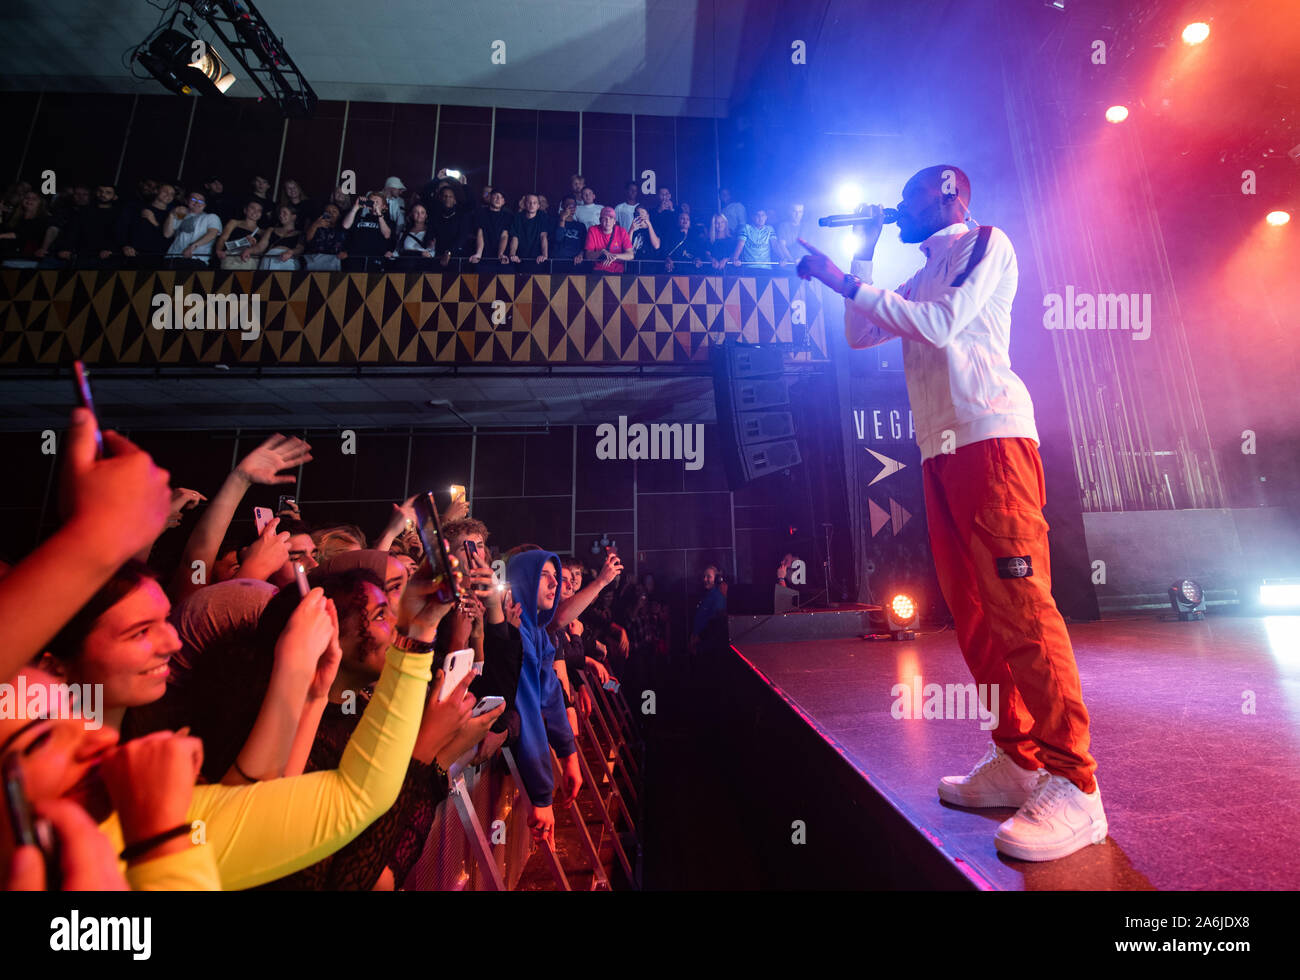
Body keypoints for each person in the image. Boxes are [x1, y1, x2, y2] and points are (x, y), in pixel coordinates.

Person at [796, 163, 1106, 862]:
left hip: (992, 440)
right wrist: (862, 256)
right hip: (939, 450)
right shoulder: (917, 272)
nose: (896, 207)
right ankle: (1019, 759)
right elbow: (860, 334)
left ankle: (1077, 784)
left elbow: (939, 325)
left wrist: (847, 282)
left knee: (1023, 612)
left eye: (906, 198)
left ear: (946, 195)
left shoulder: (986, 243)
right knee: (975, 617)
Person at [504, 550, 582, 845]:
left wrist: (569, 754)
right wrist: (541, 794)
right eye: (544, 576)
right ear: (524, 580)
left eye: (556, 576)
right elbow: (528, 706)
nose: (555, 584)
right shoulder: (519, 634)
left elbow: (550, 696)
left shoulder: (536, 631)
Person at [163, 190, 222, 269]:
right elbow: (167, 234)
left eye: (201, 201)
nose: (197, 203)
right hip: (172, 257)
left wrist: (193, 246)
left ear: (205, 205)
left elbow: (212, 234)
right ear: (186, 201)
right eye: (193, 200)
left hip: (196, 259)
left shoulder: (211, 217)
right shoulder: (180, 215)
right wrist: (171, 214)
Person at [341, 191, 391, 272]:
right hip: (355, 259)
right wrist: (356, 207)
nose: (374, 204)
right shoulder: (360, 217)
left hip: (375, 259)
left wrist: (379, 214)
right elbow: (345, 226)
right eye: (371, 202)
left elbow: (387, 235)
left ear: (384, 207)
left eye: (377, 202)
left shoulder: (388, 221)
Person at [688, 564, 727, 655]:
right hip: (699, 643)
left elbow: (715, 623)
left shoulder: (718, 597)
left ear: (716, 579)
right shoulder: (706, 595)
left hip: (708, 646)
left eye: (708, 577)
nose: (705, 579)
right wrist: (694, 635)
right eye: (704, 576)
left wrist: (699, 637)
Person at [215, 200, 264, 270]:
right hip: (231, 258)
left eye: (259, 210)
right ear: (245, 210)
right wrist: (219, 250)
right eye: (252, 208)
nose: (255, 212)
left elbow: (260, 249)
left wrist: (253, 245)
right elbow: (223, 238)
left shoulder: (262, 232)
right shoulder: (234, 223)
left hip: (249, 261)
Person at [253, 203, 303, 270]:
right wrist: (249, 251)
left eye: (284, 213)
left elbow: (300, 248)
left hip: (289, 261)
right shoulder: (271, 229)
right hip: (269, 259)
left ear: (293, 217)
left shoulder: (300, 233)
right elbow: (260, 246)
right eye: (280, 213)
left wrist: (291, 252)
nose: (281, 215)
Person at [583, 207, 633, 274]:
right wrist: (601, 252)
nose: (608, 221)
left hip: (617, 271)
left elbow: (630, 255)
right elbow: (588, 256)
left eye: (611, 218)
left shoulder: (621, 231)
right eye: (605, 218)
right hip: (598, 271)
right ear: (600, 220)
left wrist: (614, 256)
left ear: (615, 221)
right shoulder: (593, 230)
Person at [470, 188, 511, 264]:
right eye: (495, 196)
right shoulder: (481, 213)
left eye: (501, 197)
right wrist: (479, 253)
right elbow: (480, 233)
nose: (498, 199)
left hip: (500, 254)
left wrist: (501, 253)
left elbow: (504, 236)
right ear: (490, 198)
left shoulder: (508, 215)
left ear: (504, 201)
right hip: (484, 252)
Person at [508, 193, 548, 265]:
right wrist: (512, 254)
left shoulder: (543, 217)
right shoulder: (517, 217)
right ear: (525, 204)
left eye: (534, 203)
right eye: (529, 202)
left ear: (538, 206)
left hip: (537, 259)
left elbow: (543, 237)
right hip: (519, 258)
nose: (531, 205)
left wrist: (544, 255)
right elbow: (515, 238)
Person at [550, 195, 586, 265]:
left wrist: (581, 255)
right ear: (563, 206)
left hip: (575, 261)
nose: (571, 207)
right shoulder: (554, 222)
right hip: (557, 260)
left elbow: (584, 246)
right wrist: (562, 219)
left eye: (573, 205)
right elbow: (558, 238)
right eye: (568, 205)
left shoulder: (581, 226)